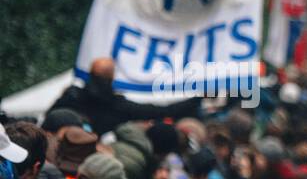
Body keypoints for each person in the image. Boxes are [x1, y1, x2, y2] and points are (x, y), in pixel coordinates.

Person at [50, 57, 203, 136]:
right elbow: (162, 111)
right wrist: (199, 96)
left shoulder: (72, 96)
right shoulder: (118, 105)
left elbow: (49, 119)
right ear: (112, 78)